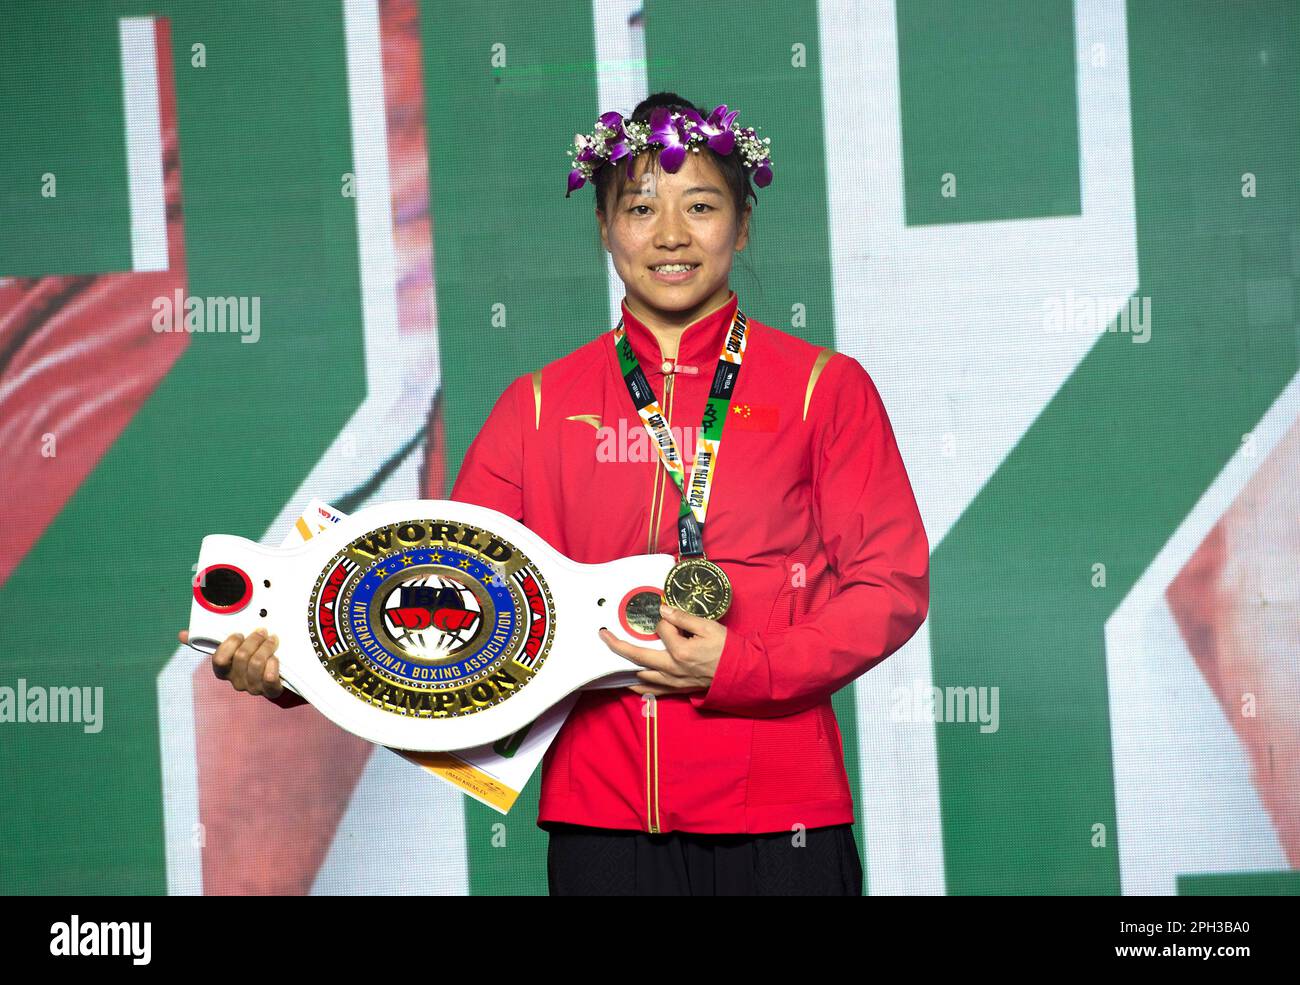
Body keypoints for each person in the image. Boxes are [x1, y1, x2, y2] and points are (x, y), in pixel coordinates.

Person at [179, 92, 929, 896]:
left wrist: (743, 665)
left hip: (784, 822)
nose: (670, 235)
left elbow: (891, 585)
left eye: (701, 206)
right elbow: (452, 618)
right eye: (640, 207)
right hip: (599, 829)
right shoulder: (536, 406)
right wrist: (295, 668)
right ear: (604, 227)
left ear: (742, 225)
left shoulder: (824, 389)